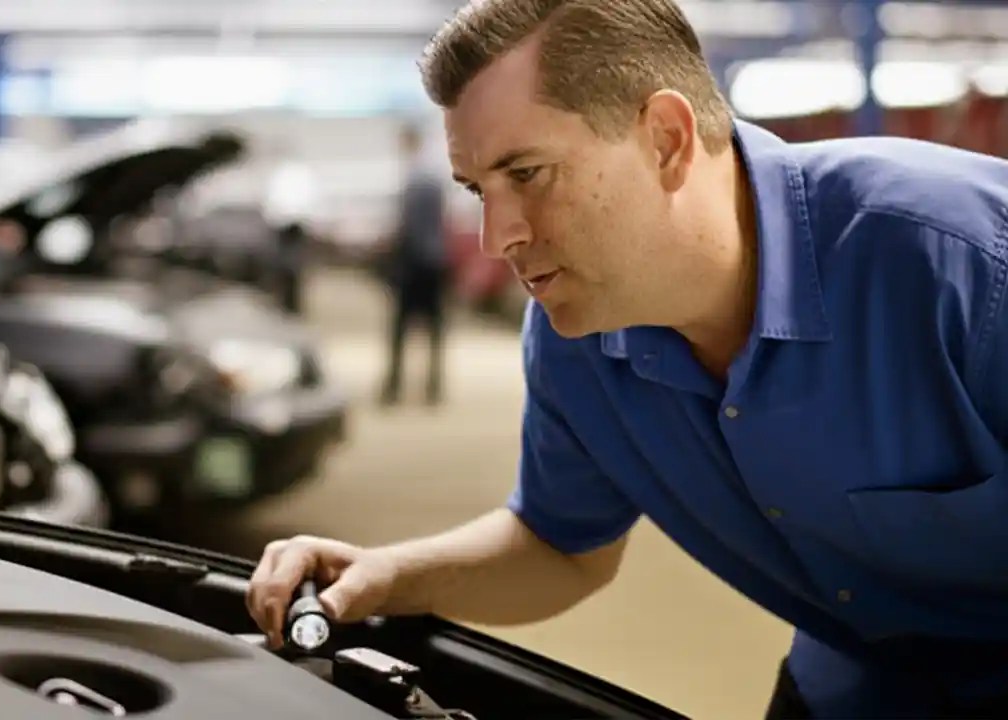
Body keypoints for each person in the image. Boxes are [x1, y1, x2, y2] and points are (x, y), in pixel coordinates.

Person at [245, 1, 1008, 718]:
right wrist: (388, 575)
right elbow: (557, 547)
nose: (496, 236)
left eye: (526, 174)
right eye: (477, 189)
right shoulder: (577, 342)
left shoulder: (962, 262)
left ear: (666, 139)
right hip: (851, 687)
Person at [379, 124, 450, 406]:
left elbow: (406, 227)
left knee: (400, 329)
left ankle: (393, 387)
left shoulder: (413, 180)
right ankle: (433, 387)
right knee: (434, 329)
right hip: (435, 260)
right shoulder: (434, 178)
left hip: (413, 264)